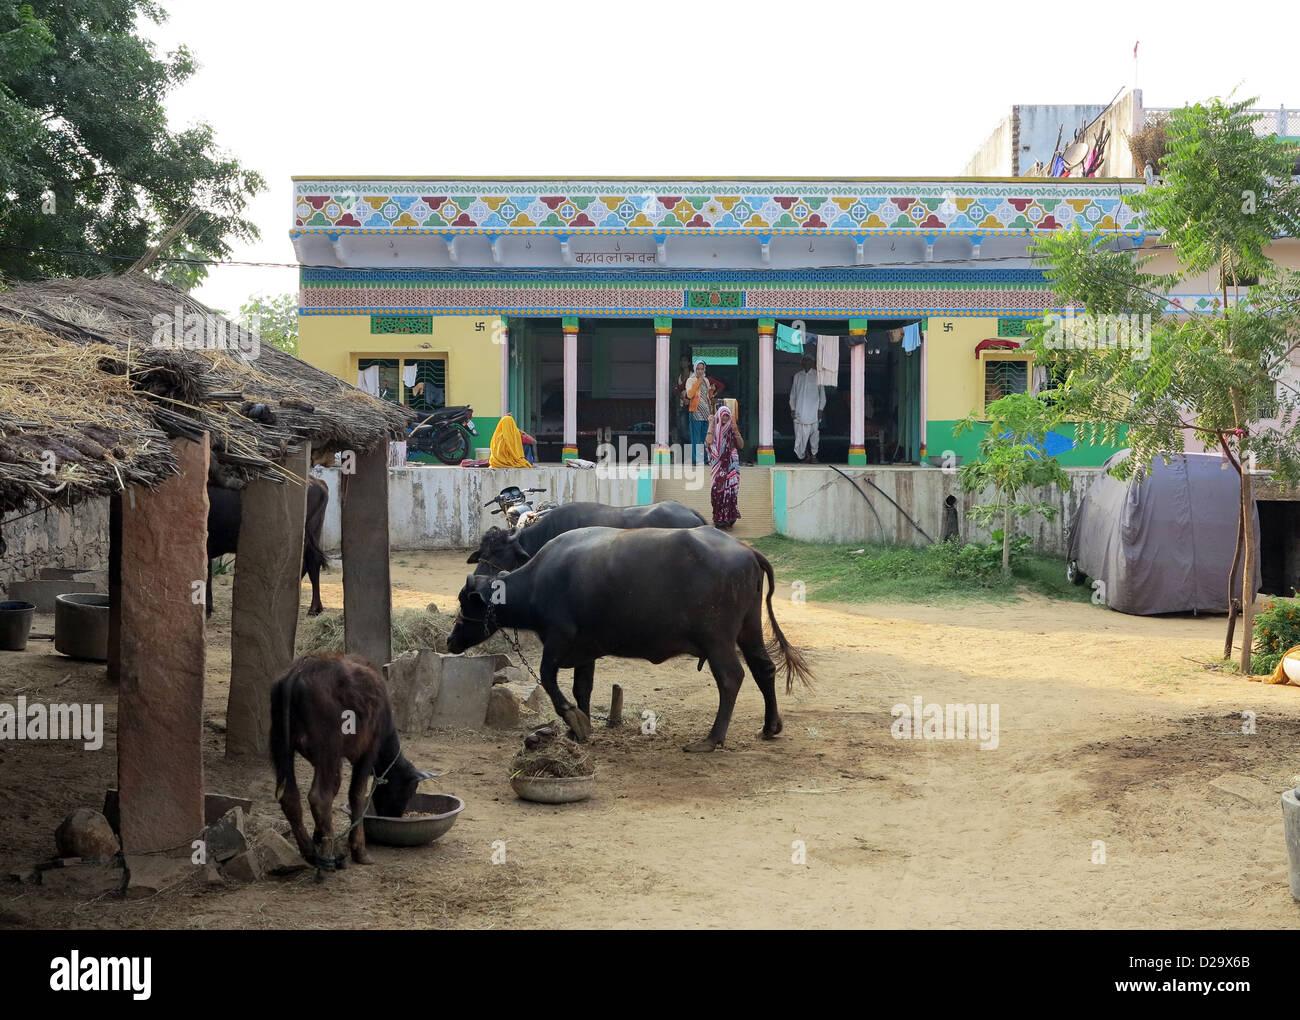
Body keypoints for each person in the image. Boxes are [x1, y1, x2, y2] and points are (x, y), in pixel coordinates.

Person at [706, 404, 743, 529]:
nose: (725, 418)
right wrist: (711, 424)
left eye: (727, 416)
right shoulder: (715, 429)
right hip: (718, 464)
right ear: (719, 416)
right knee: (716, 490)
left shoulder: (732, 429)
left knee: (730, 492)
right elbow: (709, 441)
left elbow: (741, 445)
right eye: (723, 416)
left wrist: (736, 430)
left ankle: (729, 519)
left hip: (731, 464)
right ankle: (718, 519)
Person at [789, 354, 825, 463]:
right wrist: (793, 409)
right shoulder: (797, 376)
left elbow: (822, 395)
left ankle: (814, 455)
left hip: (813, 412)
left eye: (809, 361)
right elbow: (793, 394)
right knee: (800, 436)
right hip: (799, 412)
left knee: (814, 435)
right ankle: (805, 455)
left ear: (812, 363)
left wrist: (820, 409)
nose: (806, 363)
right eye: (804, 361)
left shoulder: (818, 376)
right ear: (802, 363)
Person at [684, 360, 717, 464]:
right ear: (694, 369)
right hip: (695, 411)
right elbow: (689, 395)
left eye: (702, 369)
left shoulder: (706, 380)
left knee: (705, 436)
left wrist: (711, 390)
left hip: (706, 412)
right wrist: (698, 381)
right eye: (698, 369)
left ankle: (705, 458)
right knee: (696, 437)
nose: (700, 371)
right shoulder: (691, 380)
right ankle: (698, 459)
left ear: (704, 369)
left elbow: (707, 396)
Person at [672, 354, 692, 453]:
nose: (683, 363)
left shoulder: (693, 375)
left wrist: (688, 399)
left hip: (693, 407)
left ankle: (693, 453)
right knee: (682, 431)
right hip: (681, 407)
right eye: (681, 361)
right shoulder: (679, 376)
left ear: (689, 363)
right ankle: (686, 453)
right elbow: (676, 390)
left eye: (685, 360)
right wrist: (683, 399)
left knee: (691, 431)